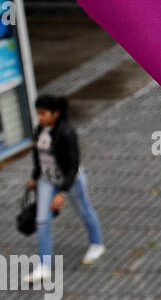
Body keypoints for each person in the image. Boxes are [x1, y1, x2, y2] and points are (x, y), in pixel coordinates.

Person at [24, 95, 105, 283]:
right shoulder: (39, 131)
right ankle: (44, 265)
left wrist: (62, 193)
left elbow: (73, 165)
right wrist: (35, 177)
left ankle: (97, 244)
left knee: (84, 211)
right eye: (38, 113)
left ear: (55, 113)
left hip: (71, 181)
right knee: (42, 220)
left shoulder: (67, 133)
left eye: (43, 113)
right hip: (47, 179)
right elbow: (38, 156)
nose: (39, 117)